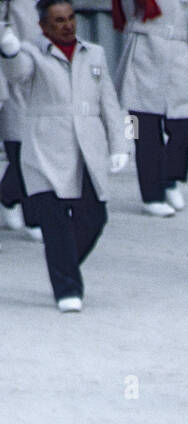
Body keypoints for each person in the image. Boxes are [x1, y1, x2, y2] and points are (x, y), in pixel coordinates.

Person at [0, 2, 128, 311]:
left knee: (95, 218)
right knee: (55, 223)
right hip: (45, 153)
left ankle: (64, 266)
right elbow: (18, 73)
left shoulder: (94, 53)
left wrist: (123, 145)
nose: (68, 25)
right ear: (44, 27)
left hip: (87, 152)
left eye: (71, 18)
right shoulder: (32, 53)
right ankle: (67, 288)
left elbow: (112, 104)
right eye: (59, 21)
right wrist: (9, 51)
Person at [113, 0, 188, 216]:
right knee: (144, 132)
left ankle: (169, 178)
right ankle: (152, 197)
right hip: (142, 53)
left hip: (178, 56)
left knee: (186, 128)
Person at [0, 0, 43, 242]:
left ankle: (7, 195)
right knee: (22, 142)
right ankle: (34, 216)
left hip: (43, 60)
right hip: (11, 63)